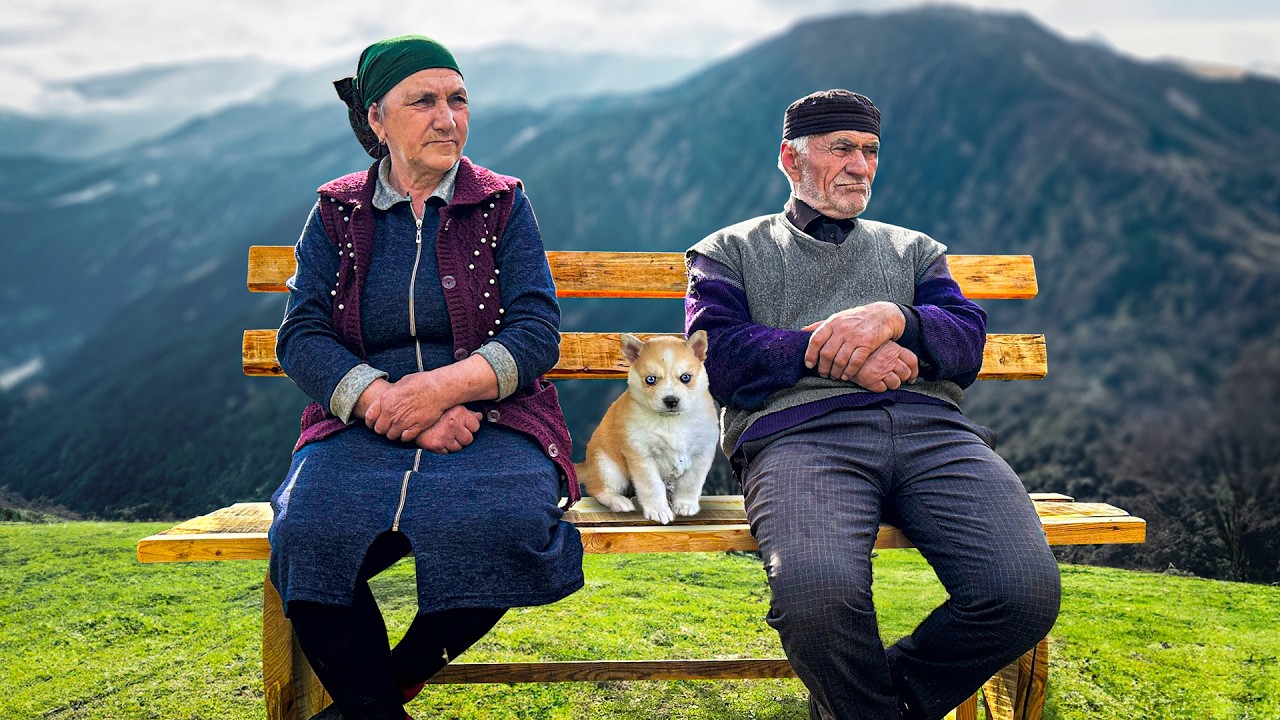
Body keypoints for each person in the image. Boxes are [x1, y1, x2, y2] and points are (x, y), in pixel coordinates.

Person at [684, 90, 1061, 720]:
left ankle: (871, 707)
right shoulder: (728, 251)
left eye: (870, 150)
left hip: (933, 434)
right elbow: (716, 356)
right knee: (815, 598)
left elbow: (966, 340)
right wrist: (832, 348)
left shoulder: (914, 250)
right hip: (798, 439)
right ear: (790, 159)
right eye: (842, 149)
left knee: (1020, 592)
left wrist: (894, 318)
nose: (861, 165)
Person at [267, 36, 584, 720]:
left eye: (458, 99)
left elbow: (535, 330)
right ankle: (377, 710)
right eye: (424, 101)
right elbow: (302, 335)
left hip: (491, 418)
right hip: (362, 421)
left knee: (504, 520)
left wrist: (444, 389)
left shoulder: (502, 204)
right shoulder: (336, 212)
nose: (448, 118)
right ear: (377, 121)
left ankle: (382, 688)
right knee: (308, 533)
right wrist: (384, 398)